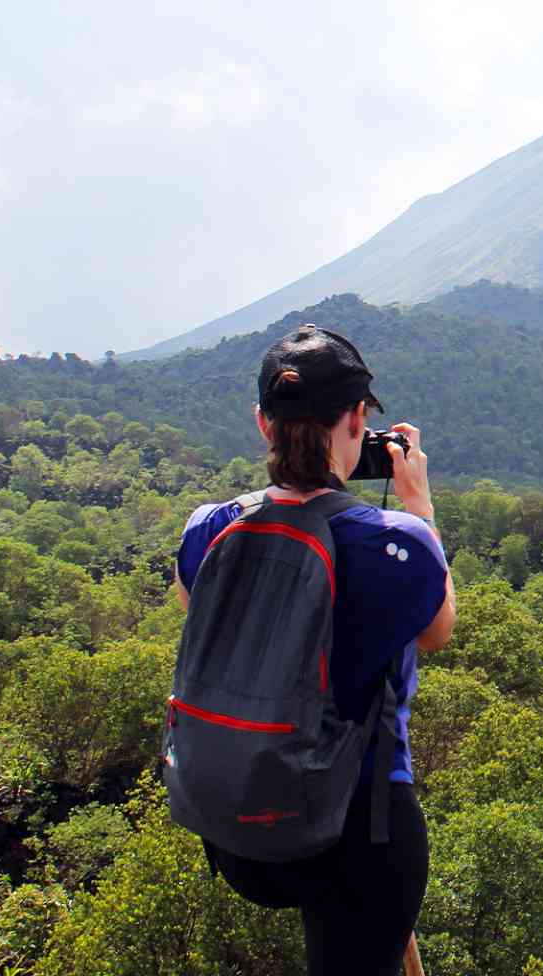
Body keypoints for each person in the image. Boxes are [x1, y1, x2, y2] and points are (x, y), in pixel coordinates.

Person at [171, 324, 456, 976]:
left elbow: (207, 619)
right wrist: (418, 505)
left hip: (239, 830)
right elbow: (437, 630)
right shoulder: (396, 545)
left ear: (262, 423)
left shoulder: (204, 531)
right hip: (357, 834)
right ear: (358, 419)